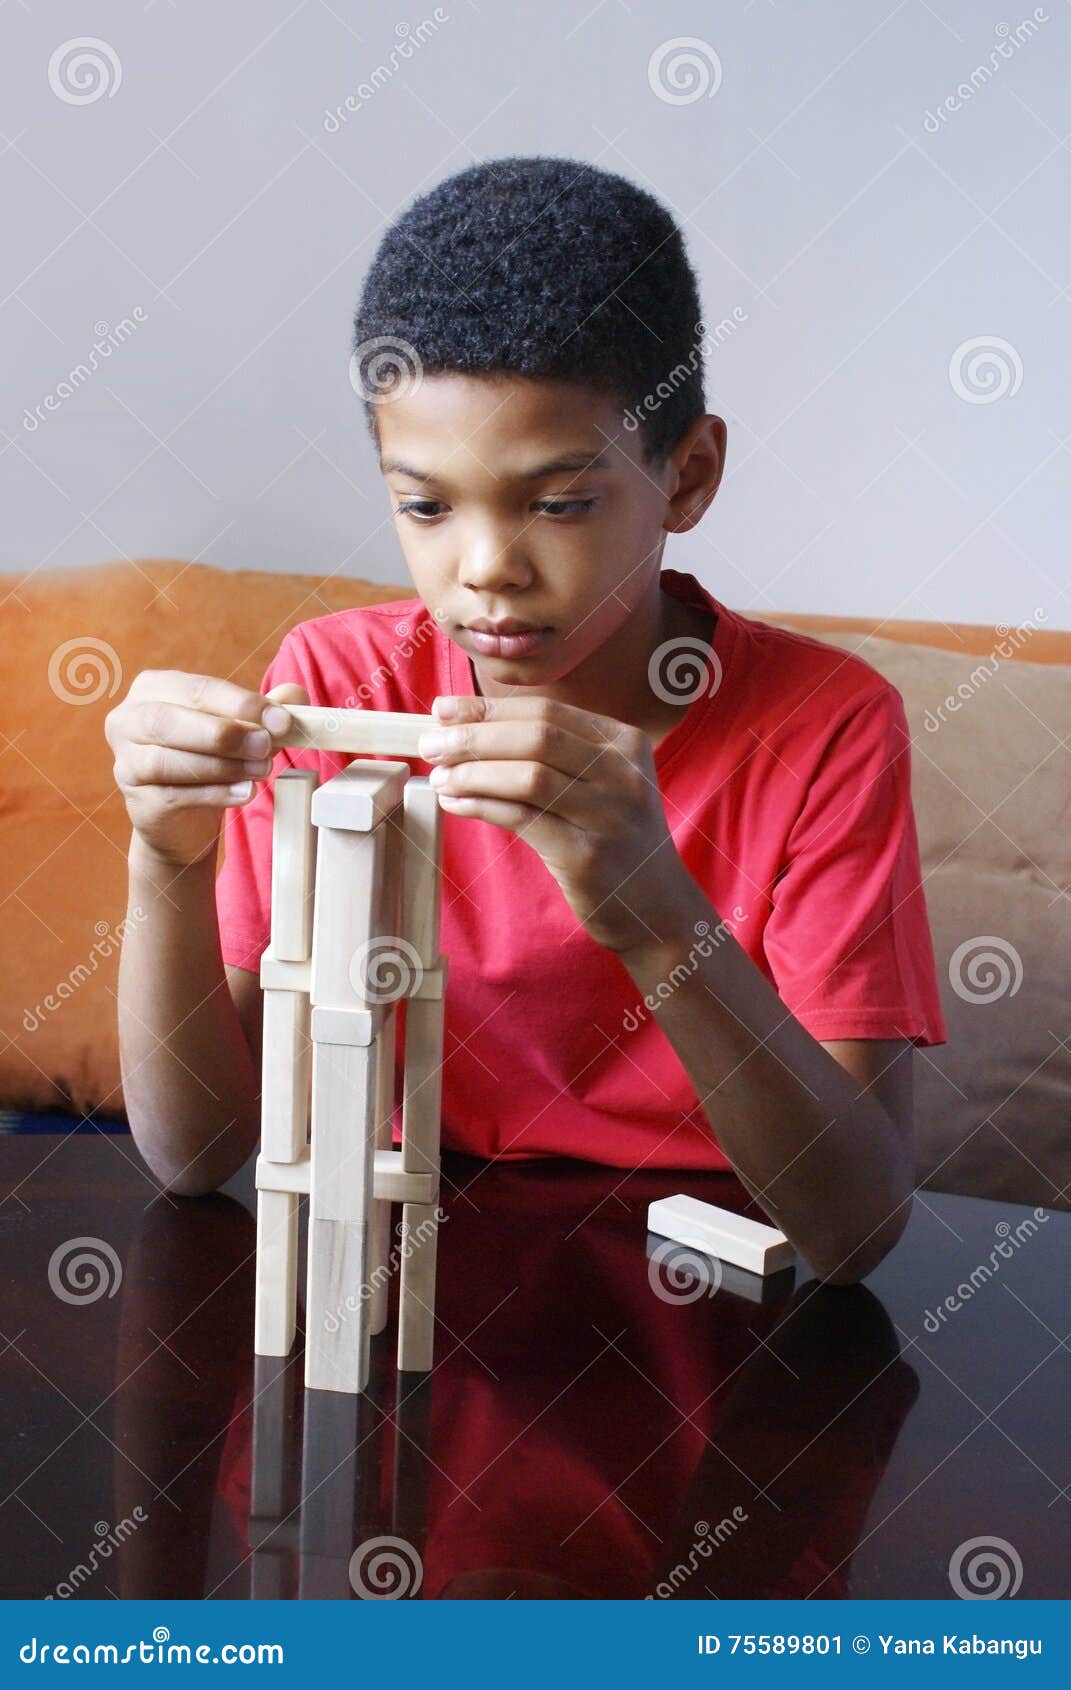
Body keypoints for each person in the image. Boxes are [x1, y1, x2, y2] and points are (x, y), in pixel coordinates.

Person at [106, 156, 946, 1283]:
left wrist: (658, 916)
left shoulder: (824, 727)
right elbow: (196, 1154)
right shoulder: (338, 682)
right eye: (424, 505)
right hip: (403, 1271)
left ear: (687, 476)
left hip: (708, 1288)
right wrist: (166, 857)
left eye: (559, 503)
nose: (487, 568)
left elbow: (854, 1231)